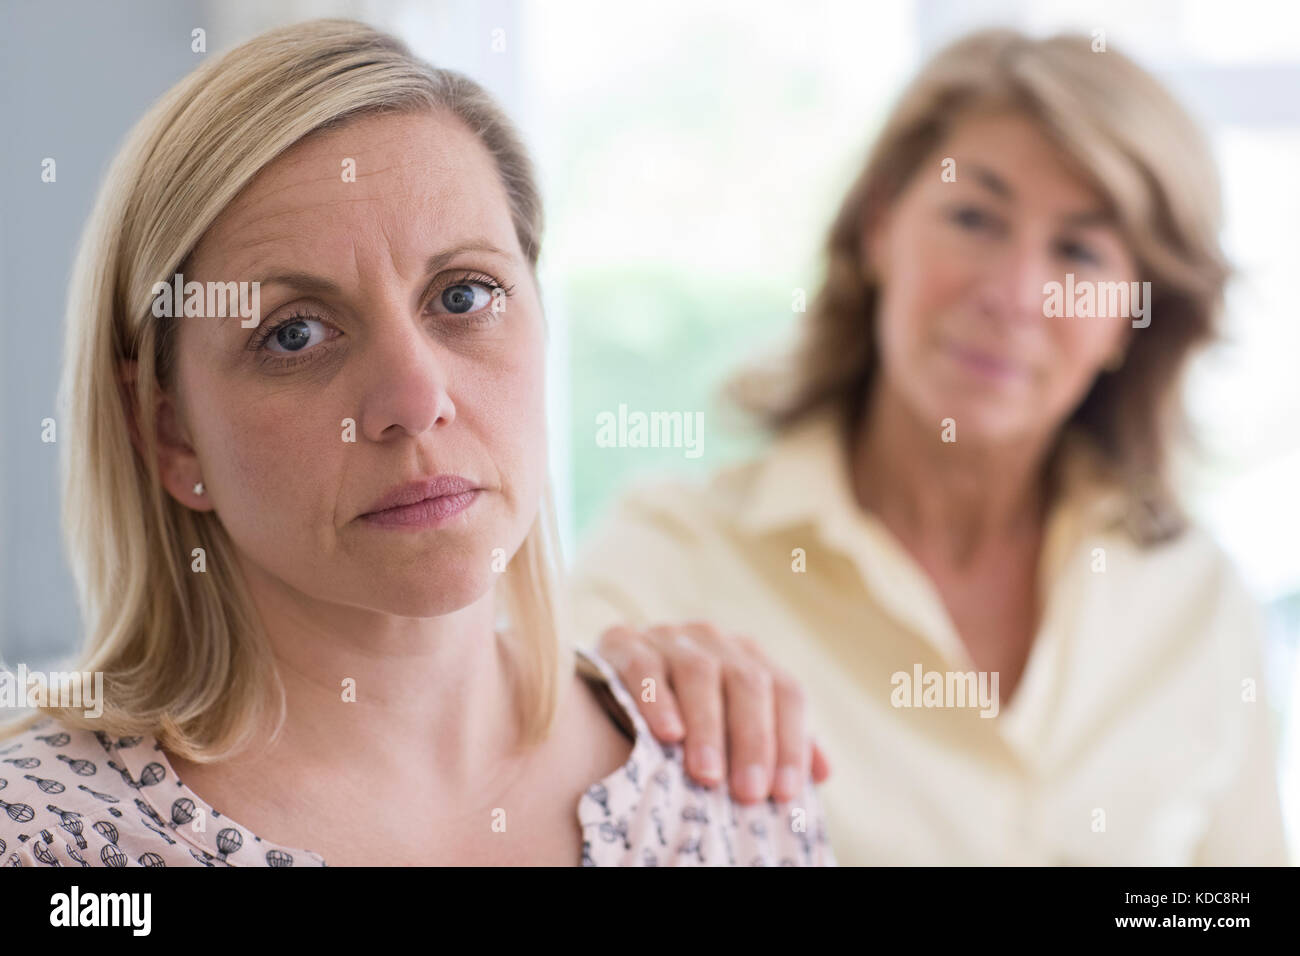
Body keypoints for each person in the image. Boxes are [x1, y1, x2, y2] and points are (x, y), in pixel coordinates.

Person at [0, 19, 833, 867]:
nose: (414, 399)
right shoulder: (42, 845)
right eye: (295, 335)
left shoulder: (726, 789)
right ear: (169, 433)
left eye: (464, 295)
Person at [571, 29, 1289, 866]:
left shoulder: (1196, 601)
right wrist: (602, 686)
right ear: (881, 228)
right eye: (975, 217)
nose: (1013, 294)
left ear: (1137, 314)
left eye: (1079, 251)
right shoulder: (671, 559)